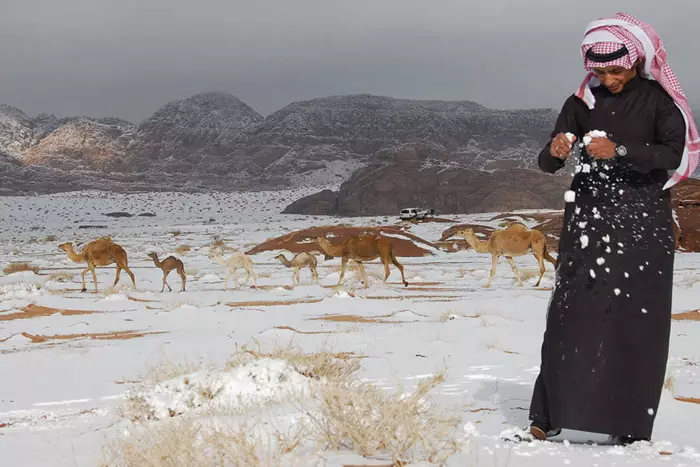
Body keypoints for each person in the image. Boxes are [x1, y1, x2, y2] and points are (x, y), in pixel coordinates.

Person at [528, 12, 699, 445]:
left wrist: (619, 150)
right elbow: (547, 164)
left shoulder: (660, 102)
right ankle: (548, 416)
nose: (608, 77)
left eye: (616, 69)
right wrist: (556, 148)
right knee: (570, 315)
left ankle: (628, 424)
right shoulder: (580, 104)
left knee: (636, 320)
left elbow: (673, 156)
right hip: (588, 220)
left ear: (636, 61)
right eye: (600, 70)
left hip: (644, 221)